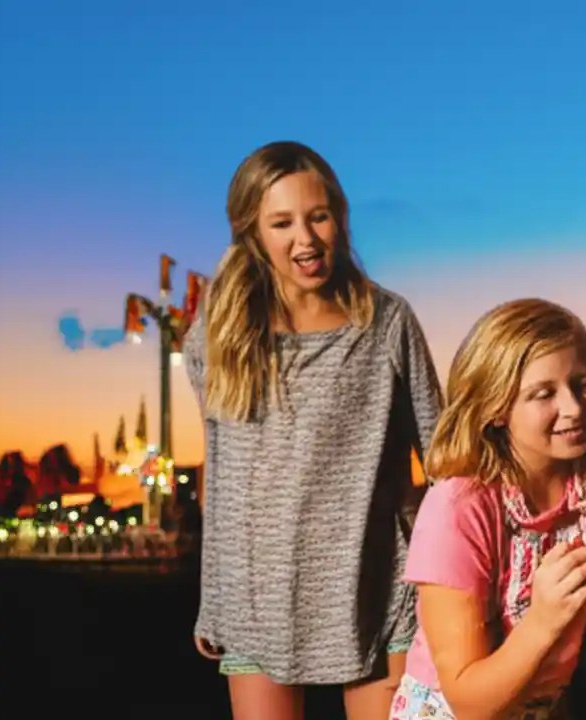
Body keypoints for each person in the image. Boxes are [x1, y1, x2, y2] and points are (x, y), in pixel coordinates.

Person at [183, 140, 444, 720]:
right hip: (257, 597)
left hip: (378, 590)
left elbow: (446, 457)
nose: (305, 238)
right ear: (252, 231)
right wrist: (214, 598)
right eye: (282, 223)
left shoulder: (388, 322)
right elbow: (225, 473)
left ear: (340, 218)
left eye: (318, 216)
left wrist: (450, 576)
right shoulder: (220, 333)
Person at [390, 298, 586, 720]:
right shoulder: (457, 509)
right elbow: (468, 701)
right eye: (543, 393)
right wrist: (544, 620)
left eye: (584, 382)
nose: (574, 408)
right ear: (495, 408)